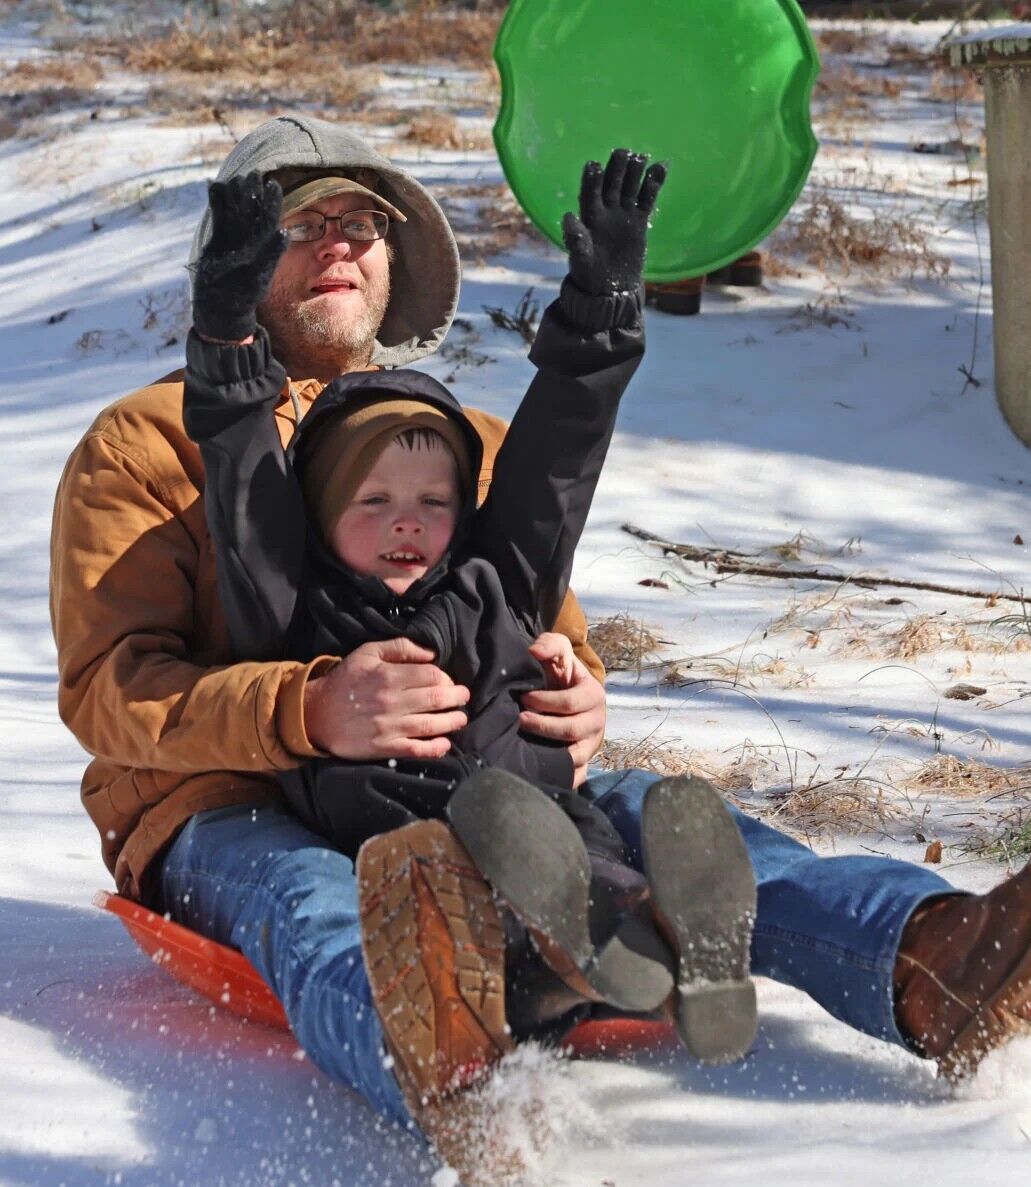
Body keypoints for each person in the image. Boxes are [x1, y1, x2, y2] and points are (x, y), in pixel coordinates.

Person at [49, 113, 1031, 1176]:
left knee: (679, 823)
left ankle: (932, 961)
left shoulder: (459, 437)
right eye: (301, 224)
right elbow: (108, 689)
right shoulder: (147, 444)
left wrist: (577, 697)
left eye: (365, 224)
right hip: (226, 797)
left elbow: (531, 604)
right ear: (240, 262)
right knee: (308, 900)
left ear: (395, 264)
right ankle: (457, 1075)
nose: (340, 243)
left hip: (463, 774)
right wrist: (307, 707)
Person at [178, 153, 759, 1058]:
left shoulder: (494, 579)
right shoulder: (296, 602)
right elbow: (245, 474)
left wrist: (601, 311)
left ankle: (662, 941)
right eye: (373, 503)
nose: (407, 525)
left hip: (543, 826)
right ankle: (592, 953)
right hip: (416, 852)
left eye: (434, 503)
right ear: (321, 516)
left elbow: (554, 459)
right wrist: (224, 334)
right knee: (482, 886)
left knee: (573, 852)